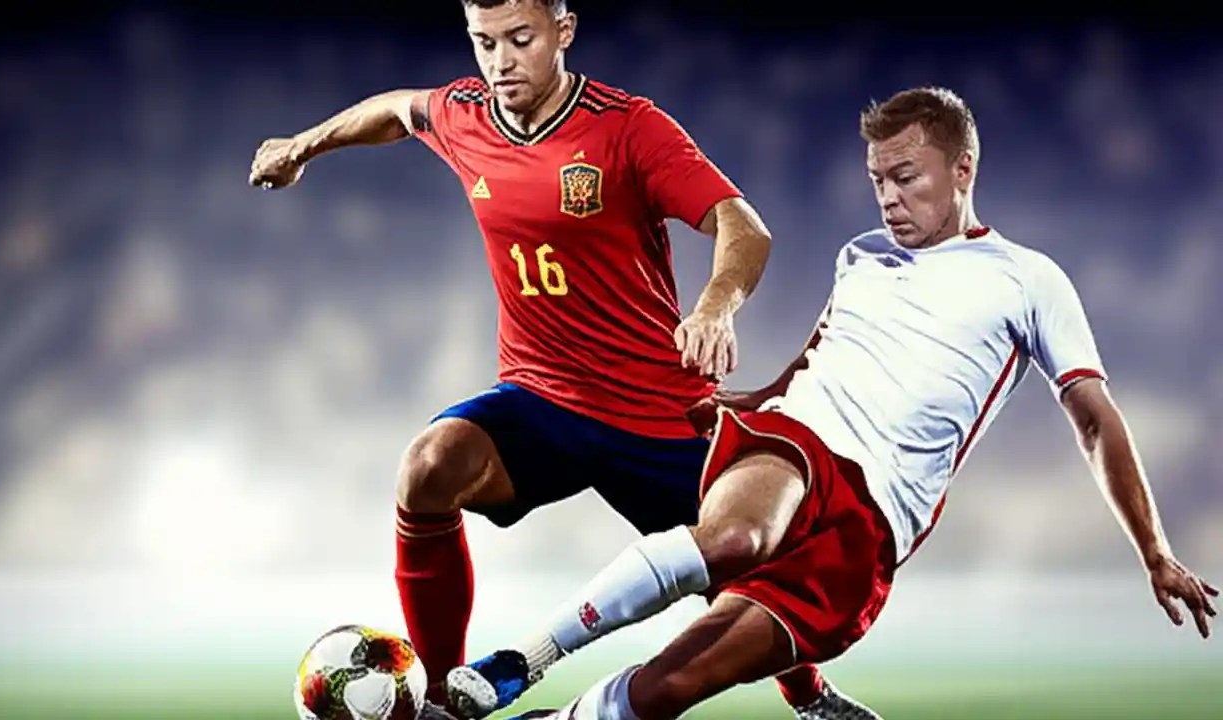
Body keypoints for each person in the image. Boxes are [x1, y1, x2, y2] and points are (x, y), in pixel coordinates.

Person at [444, 85, 1219, 720]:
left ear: (963, 169)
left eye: (906, 176)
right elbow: (815, 364)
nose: (887, 197)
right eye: (877, 178)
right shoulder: (863, 257)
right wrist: (745, 406)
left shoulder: (1029, 280)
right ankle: (523, 658)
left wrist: (1155, 552)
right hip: (796, 442)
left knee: (666, 690)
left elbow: (1094, 419)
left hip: (879, 517)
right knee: (740, 536)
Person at [250, 1, 869, 715]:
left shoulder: (629, 127)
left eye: (520, 39)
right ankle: (445, 699)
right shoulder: (465, 114)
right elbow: (398, 110)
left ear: (563, 32)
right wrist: (303, 145)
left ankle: (810, 694)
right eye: (484, 43)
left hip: (655, 413)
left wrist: (713, 306)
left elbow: (742, 225)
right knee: (428, 467)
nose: (501, 61)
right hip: (540, 402)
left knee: (746, 560)